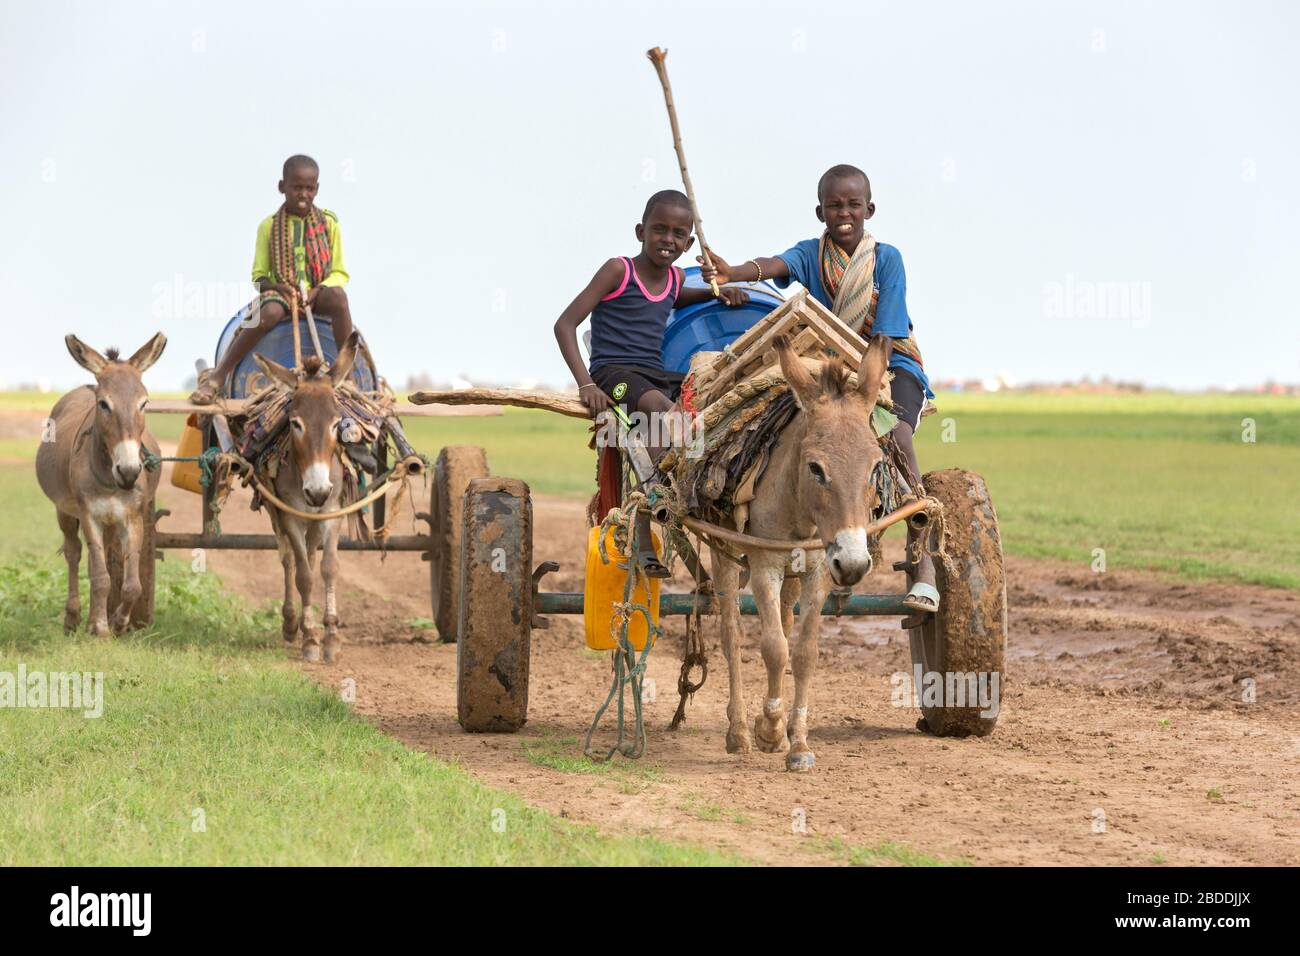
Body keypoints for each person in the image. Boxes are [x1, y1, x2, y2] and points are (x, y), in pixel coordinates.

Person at [699, 165, 940, 615]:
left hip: (886, 363)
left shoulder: (887, 259)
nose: (843, 213)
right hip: (829, 365)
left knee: (894, 433)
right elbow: (775, 266)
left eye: (852, 205)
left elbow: (884, 337)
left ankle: (920, 548)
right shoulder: (812, 254)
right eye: (834, 205)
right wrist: (732, 270)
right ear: (820, 211)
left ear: (869, 209)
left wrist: (867, 385)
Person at [554, 188, 748, 576]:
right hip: (614, 375)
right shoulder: (618, 270)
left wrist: (720, 294)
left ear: (690, 242)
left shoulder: (675, 278)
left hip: (652, 372)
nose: (668, 240)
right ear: (640, 231)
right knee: (660, 407)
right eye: (660, 230)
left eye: (679, 234)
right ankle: (666, 495)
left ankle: (711, 490)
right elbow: (564, 324)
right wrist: (586, 385)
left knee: (709, 396)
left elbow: (675, 298)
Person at [190, 154, 352, 404]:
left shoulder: (330, 224)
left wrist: (318, 289)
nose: (303, 194)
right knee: (269, 314)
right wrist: (279, 288)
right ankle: (218, 377)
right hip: (281, 294)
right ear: (282, 187)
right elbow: (258, 278)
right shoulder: (268, 226)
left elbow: (340, 273)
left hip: (318, 294)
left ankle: (347, 376)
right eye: (297, 187)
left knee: (339, 297)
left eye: (310, 188)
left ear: (317, 189)